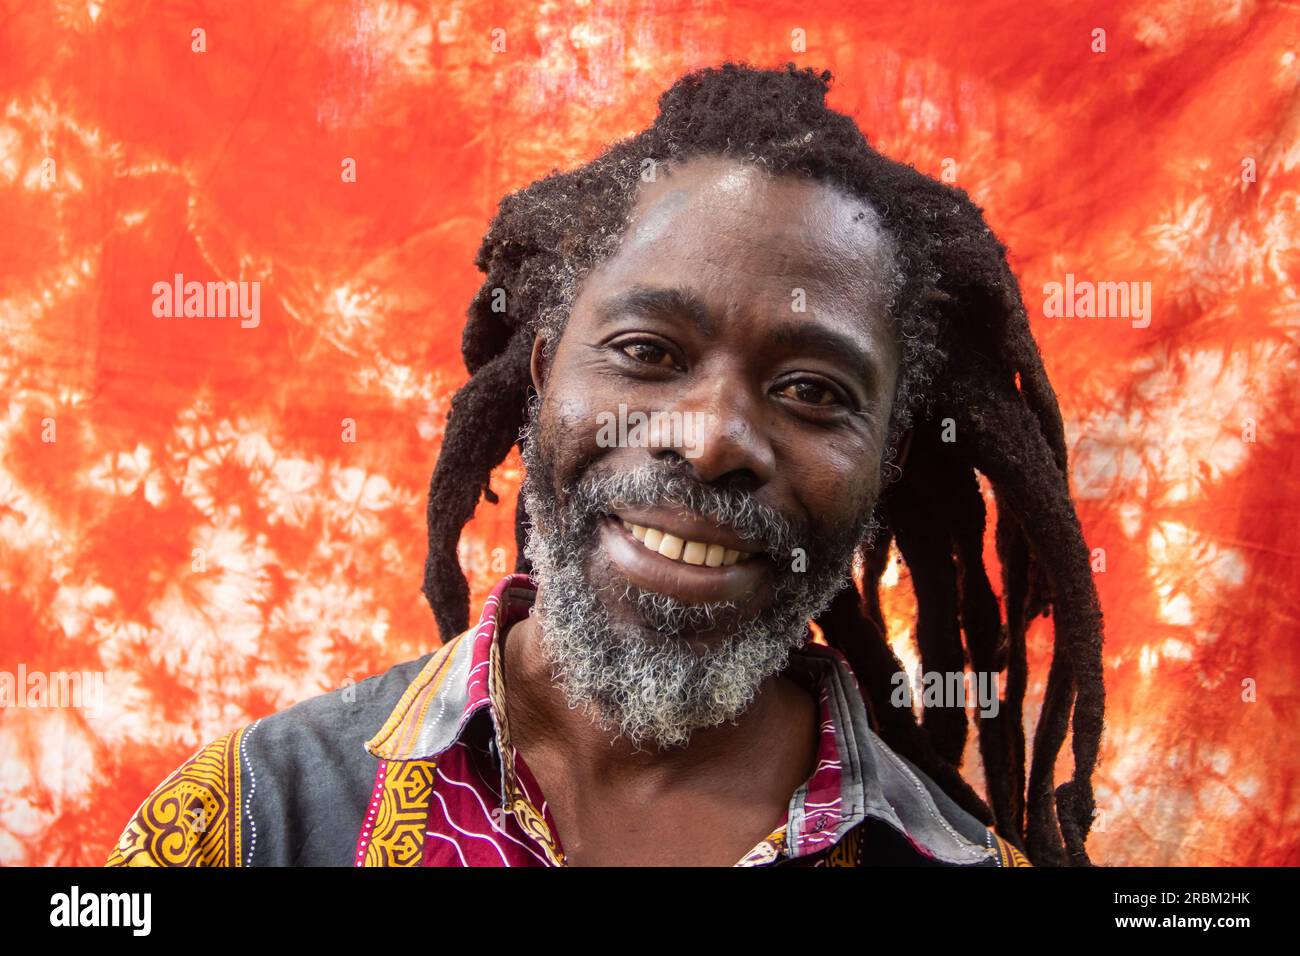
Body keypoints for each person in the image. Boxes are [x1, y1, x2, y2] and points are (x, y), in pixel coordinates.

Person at [107, 61, 1103, 868]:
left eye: (811, 389)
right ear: (545, 374)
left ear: (887, 461)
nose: (710, 439)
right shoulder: (249, 819)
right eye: (647, 351)